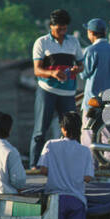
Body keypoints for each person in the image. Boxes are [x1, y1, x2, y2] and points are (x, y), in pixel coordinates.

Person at [32, 111, 94, 219]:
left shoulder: (50, 145)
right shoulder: (85, 151)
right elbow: (88, 177)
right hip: (76, 200)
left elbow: (43, 170)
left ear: (63, 129)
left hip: (55, 200)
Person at [30, 9, 84, 168]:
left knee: (72, 130)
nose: (62, 32)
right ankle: (34, 165)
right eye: (59, 29)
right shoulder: (42, 42)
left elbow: (81, 64)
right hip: (47, 90)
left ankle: (73, 165)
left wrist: (77, 69)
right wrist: (52, 73)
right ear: (51, 26)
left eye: (64, 29)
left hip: (68, 93)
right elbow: (37, 70)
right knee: (40, 131)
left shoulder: (73, 42)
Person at [79, 17, 110, 106]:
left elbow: (83, 74)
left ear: (90, 32)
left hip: (94, 101)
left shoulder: (91, 50)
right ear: (105, 32)